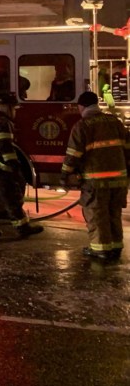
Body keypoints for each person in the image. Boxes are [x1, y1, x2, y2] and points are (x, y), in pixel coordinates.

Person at [60, 91, 130, 260]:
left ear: (81, 107)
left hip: (95, 182)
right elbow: (128, 149)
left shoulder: (83, 126)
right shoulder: (116, 122)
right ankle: (115, 246)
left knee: (97, 215)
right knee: (113, 214)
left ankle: (100, 249)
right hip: (119, 181)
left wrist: (65, 175)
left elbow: (73, 155)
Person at [0, 92, 44, 238]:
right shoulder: (4, 123)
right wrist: (14, 165)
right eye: (14, 108)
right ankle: (23, 228)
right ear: (6, 107)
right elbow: (5, 147)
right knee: (12, 198)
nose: (15, 112)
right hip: (0, 169)